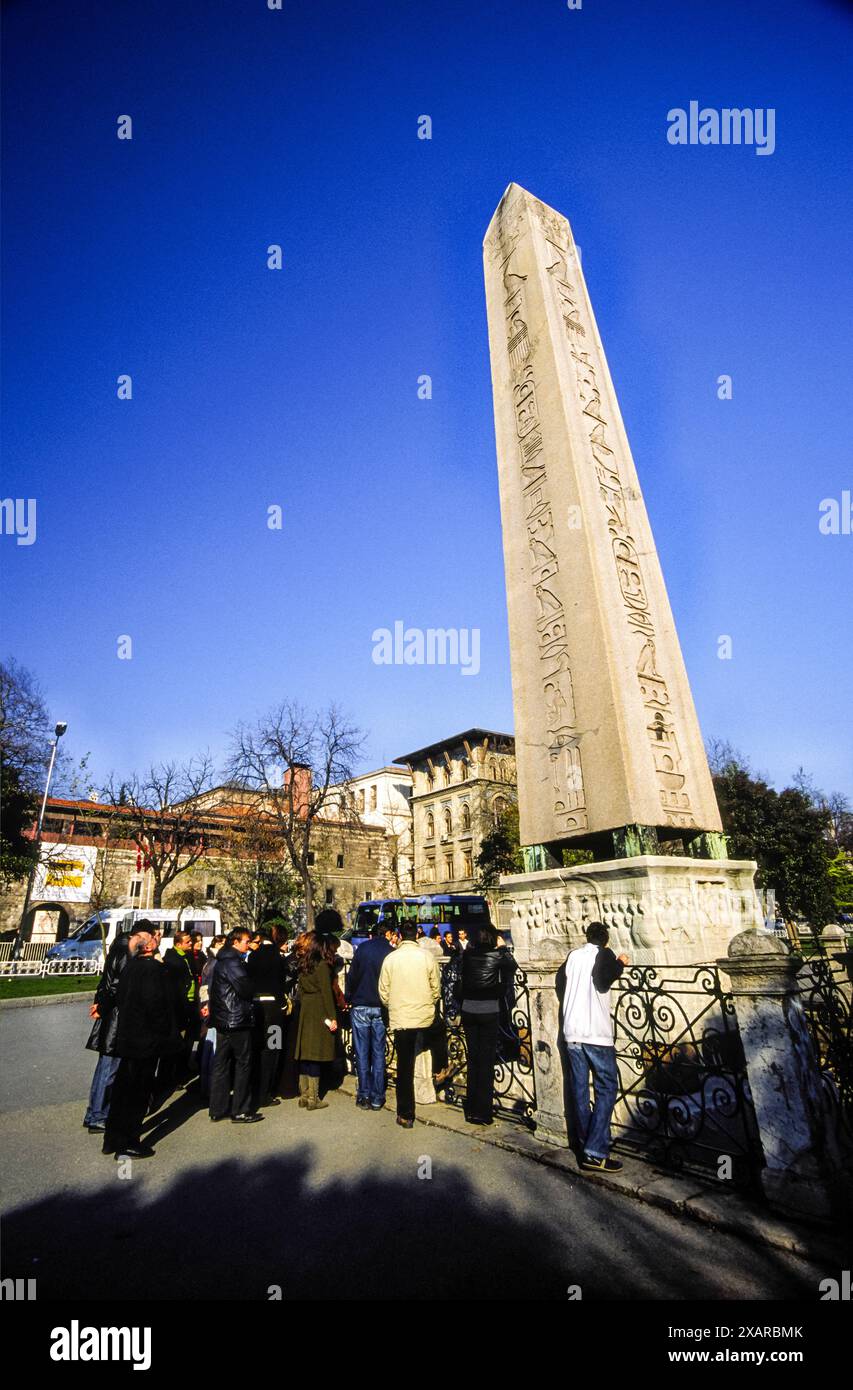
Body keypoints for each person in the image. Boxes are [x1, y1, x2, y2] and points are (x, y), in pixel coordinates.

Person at [102, 925, 185, 1160]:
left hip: (129, 1038)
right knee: (137, 1094)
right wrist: (166, 1033)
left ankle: (112, 1138)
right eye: (153, 938)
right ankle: (128, 1142)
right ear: (147, 946)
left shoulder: (130, 968)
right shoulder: (152, 970)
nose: (157, 939)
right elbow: (156, 1005)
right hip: (145, 1041)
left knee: (123, 1091)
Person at [562, 921, 628, 1173]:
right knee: (607, 1087)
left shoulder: (573, 955)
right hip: (595, 1033)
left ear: (585, 936)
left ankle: (585, 1143)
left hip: (572, 1031)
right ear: (606, 939)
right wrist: (620, 963)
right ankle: (595, 1150)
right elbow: (602, 980)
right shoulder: (605, 954)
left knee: (579, 1089)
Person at [83, 920, 152, 1132]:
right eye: (151, 936)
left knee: (105, 1067)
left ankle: (95, 1111)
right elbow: (116, 986)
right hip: (117, 1019)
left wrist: (100, 1004)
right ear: (142, 935)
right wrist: (103, 1006)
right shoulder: (126, 953)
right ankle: (99, 1114)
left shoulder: (119, 948)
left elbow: (106, 983)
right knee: (110, 1069)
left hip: (112, 1016)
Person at [378, 923, 448, 1129]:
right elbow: (437, 987)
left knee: (404, 1067)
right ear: (417, 935)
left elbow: (383, 991)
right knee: (439, 1031)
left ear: (399, 936)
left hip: (401, 1018)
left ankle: (406, 1114)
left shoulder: (390, 959)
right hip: (425, 1014)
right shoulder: (427, 957)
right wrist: (428, 1001)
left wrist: (394, 1005)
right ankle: (440, 1067)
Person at [459, 920, 516, 1126]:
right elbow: (512, 966)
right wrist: (503, 947)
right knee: (486, 1061)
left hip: (468, 1009)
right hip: (488, 1010)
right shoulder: (497, 955)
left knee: (473, 1059)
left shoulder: (467, 954)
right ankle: (483, 1111)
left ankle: (472, 1109)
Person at [209, 928, 264, 1124]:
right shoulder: (233, 962)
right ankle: (240, 1109)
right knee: (243, 1063)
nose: (248, 945)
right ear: (235, 942)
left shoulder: (222, 960)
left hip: (224, 1018)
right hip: (236, 1018)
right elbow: (245, 988)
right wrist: (252, 984)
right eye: (246, 941)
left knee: (221, 1063)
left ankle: (217, 1107)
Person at [344, 924, 393, 1110]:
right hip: (380, 1005)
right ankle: (377, 1096)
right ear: (387, 934)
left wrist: (349, 998)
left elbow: (352, 977)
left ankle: (363, 1094)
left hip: (361, 1004)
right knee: (379, 1052)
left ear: (372, 935)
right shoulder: (390, 952)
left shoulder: (362, 949)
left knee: (362, 1052)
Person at [293, 930, 338, 1111]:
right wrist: (332, 1017)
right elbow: (327, 993)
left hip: (306, 1008)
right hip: (319, 1007)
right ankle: (314, 1097)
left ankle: (304, 1094)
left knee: (305, 1053)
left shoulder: (304, 964)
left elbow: (301, 990)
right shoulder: (322, 966)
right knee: (316, 1054)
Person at [247, 925, 288, 1109]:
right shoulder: (277, 957)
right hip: (273, 1010)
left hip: (256, 1006)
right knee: (273, 1047)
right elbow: (280, 984)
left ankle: (255, 1089)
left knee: (257, 1049)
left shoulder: (253, 955)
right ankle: (267, 1091)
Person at [162, 930, 200, 1083]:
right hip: (181, 1005)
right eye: (187, 942)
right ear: (178, 944)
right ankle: (174, 1073)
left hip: (191, 1002)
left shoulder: (188, 956)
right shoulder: (172, 959)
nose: (191, 944)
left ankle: (183, 1067)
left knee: (190, 1038)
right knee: (179, 1040)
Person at [198, 935, 226, 1102]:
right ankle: (210, 1088)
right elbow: (208, 988)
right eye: (220, 943)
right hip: (213, 1009)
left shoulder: (209, 961)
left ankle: (206, 1085)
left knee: (208, 1049)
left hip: (207, 1007)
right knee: (213, 1050)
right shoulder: (215, 963)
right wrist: (206, 1007)